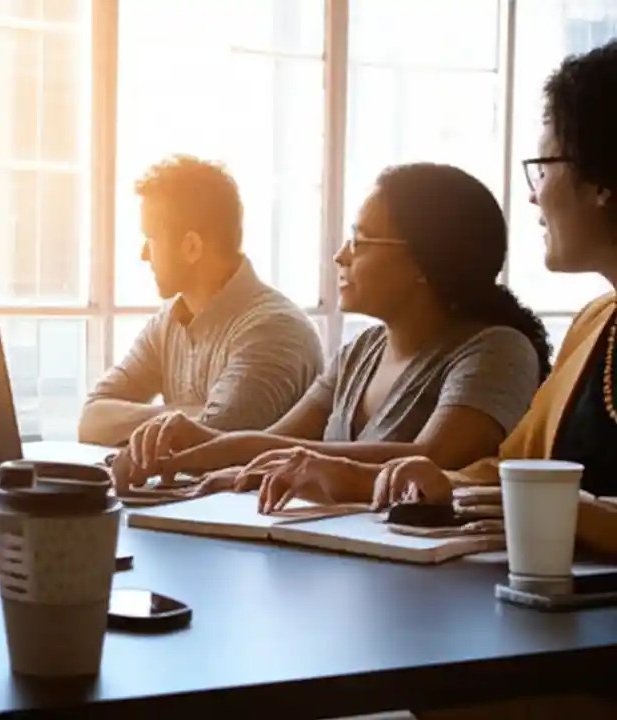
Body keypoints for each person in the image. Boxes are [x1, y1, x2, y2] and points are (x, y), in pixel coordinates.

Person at [234, 40, 617, 552]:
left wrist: (580, 517)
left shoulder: (495, 347)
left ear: (602, 182)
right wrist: (387, 480)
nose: (533, 193)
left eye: (544, 168)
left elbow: (546, 500)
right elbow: (511, 471)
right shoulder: (595, 325)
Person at [113, 164, 551, 496]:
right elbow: (278, 441)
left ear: (423, 260)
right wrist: (194, 445)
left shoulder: (496, 349)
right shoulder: (361, 350)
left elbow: (431, 459)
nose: (341, 256)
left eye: (360, 241)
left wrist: (243, 458)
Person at [77, 155, 324, 447]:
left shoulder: (275, 330)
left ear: (191, 247)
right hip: (193, 493)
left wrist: (182, 424)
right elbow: (92, 420)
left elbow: (212, 442)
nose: (144, 254)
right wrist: (183, 418)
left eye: (151, 239)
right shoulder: (168, 320)